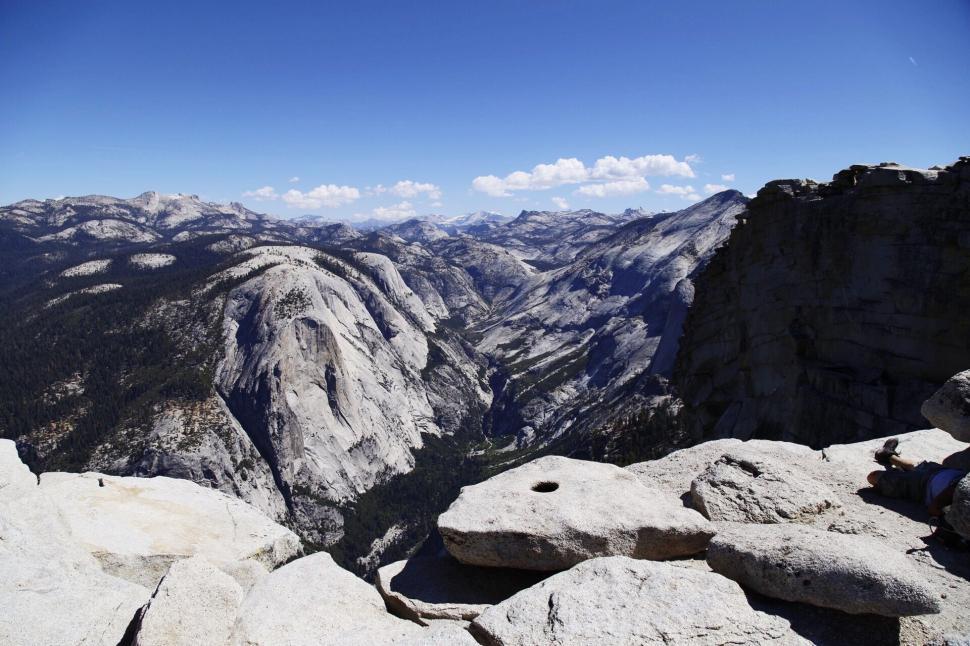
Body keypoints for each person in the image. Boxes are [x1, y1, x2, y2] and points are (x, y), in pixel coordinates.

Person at [867, 438, 966, 517]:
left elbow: (935, 508)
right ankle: (888, 455)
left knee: (872, 477)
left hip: (922, 486)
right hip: (940, 471)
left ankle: (888, 462)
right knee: (914, 466)